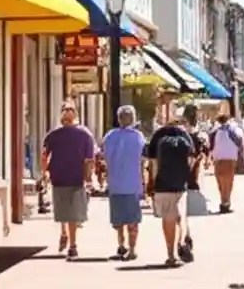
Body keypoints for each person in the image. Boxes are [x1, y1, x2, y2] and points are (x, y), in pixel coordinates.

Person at [42, 102, 96, 260]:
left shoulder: (84, 135)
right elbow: (45, 155)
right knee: (64, 211)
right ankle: (65, 234)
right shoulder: (54, 135)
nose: (67, 113)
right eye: (65, 110)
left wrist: (87, 178)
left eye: (70, 110)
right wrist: (44, 173)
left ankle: (72, 244)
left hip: (74, 177)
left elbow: (88, 160)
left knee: (70, 213)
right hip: (60, 176)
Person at [147, 114, 197, 267]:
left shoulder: (157, 137)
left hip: (162, 184)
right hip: (179, 184)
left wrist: (152, 182)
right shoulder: (185, 137)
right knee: (181, 216)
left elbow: (153, 164)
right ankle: (181, 241)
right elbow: (192, 160)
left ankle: (170, 254)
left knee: (168, 219)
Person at [101, 105, 147, 260]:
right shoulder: (138, 136)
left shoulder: (110, 136)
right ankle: (132, 249)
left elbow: (105, 157)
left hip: (116, 183)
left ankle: (121, 245)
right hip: (133, 184)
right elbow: (141, 160)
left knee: (119, 220)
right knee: (133, 220)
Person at [210, 114, 244, 213]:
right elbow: (240, 142)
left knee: (220, 183)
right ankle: (226, 203)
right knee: (228, 183)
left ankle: (223, 202)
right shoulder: (233, 130)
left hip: (217, 159)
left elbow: (210, 146)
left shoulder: (215, 131)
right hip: (230, 158)